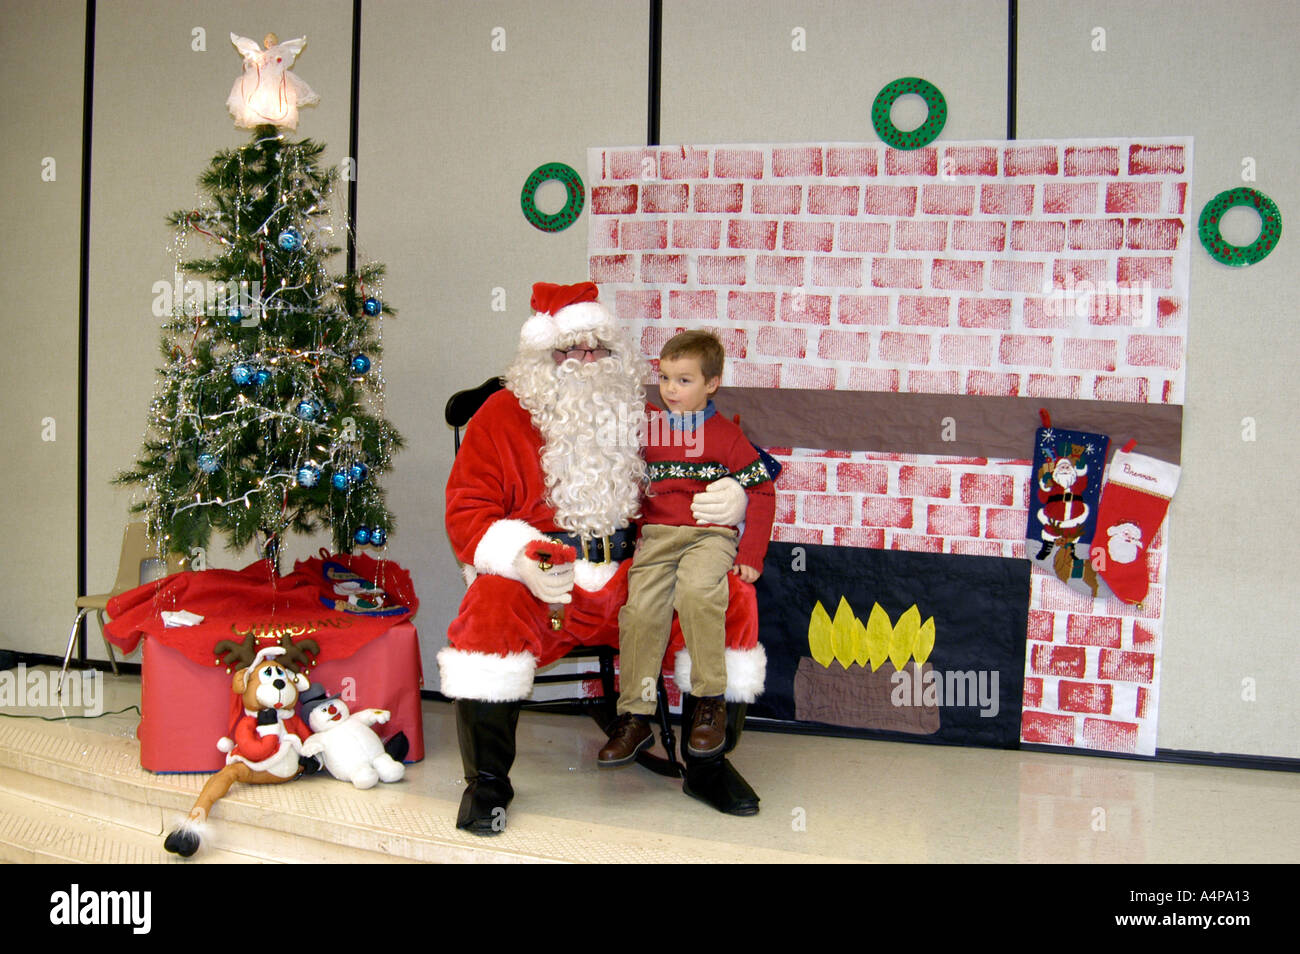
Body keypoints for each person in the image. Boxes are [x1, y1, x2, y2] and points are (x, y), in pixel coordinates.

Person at [441, 282, 767, 835]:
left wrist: (735, 493)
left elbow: (711, 459)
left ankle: (708, 764)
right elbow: (467, 509)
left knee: (731, 596)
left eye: (598, 350)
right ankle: (488, 781)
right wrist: (519, 558)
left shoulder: (644, 413)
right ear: (542, 358)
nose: (585, 363)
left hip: (638, 573)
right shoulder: (500, 415)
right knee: (489, 608)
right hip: (547, 580)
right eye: (570, 351)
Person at [599, 331, 774, 768]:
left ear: (712, 383)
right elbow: (626, 478)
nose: (671, 389)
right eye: (665, 378)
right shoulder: (649, 428)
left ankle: (709, 702)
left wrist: (751, 555)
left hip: (708, 536)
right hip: (657, 536)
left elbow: (763, 491)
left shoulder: (725, 436)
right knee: (640, 611)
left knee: (698, 593)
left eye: (684, 380)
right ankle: (635, 716)